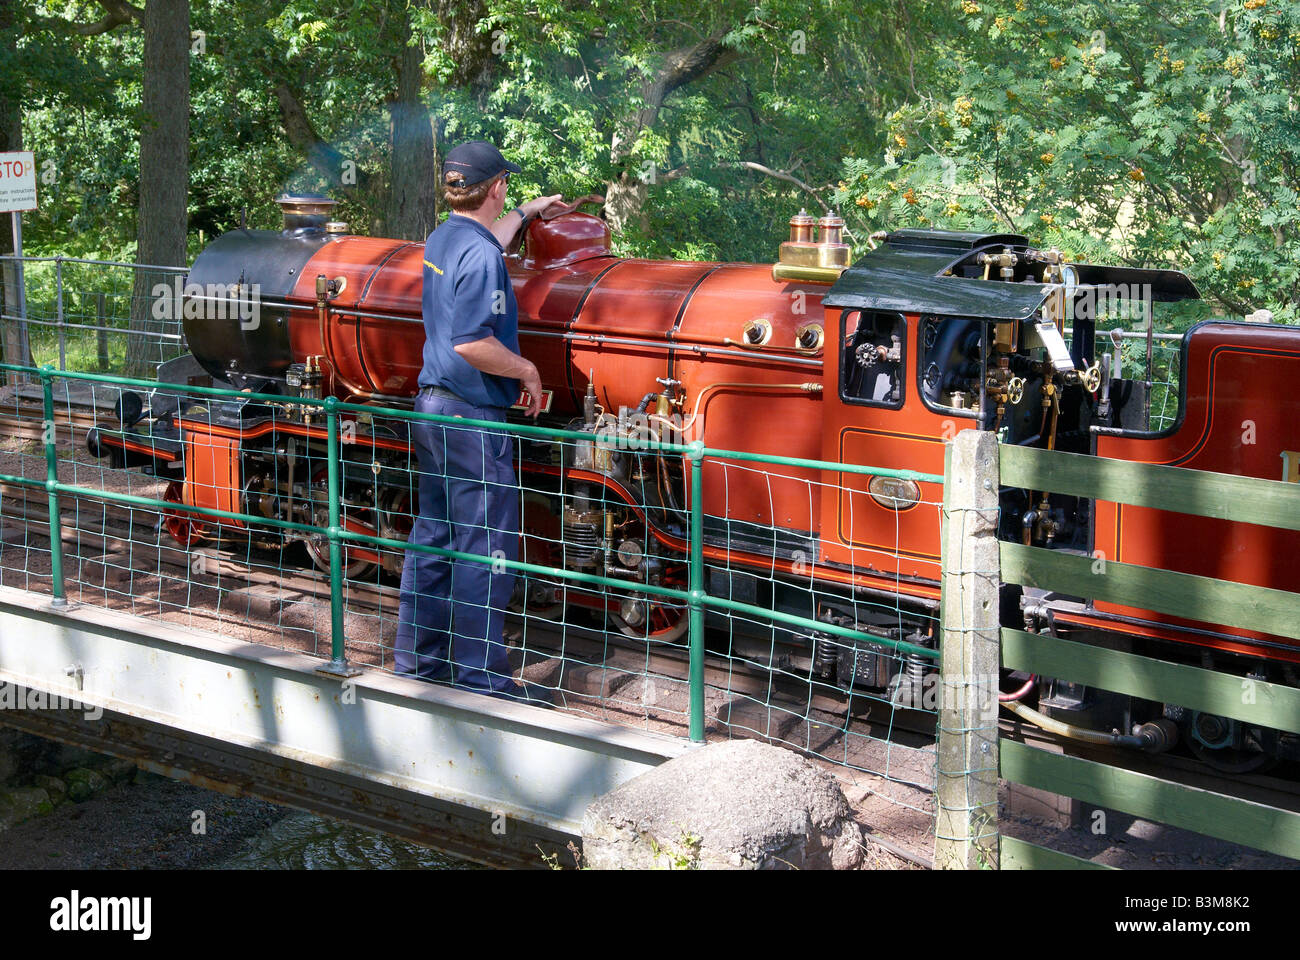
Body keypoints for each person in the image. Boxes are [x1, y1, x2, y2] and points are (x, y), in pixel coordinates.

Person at [393, 140, 561, 704]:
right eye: (507, 191)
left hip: (431, 408)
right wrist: (528, 371)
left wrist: (526, 213)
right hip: (471, 415)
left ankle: (416, 663)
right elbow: (472, 342)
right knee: (486, 547)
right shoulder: (484, 256)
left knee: (434, 536)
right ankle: (481, 679)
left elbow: (485, 242)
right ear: (496, 187)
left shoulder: (444, 237)